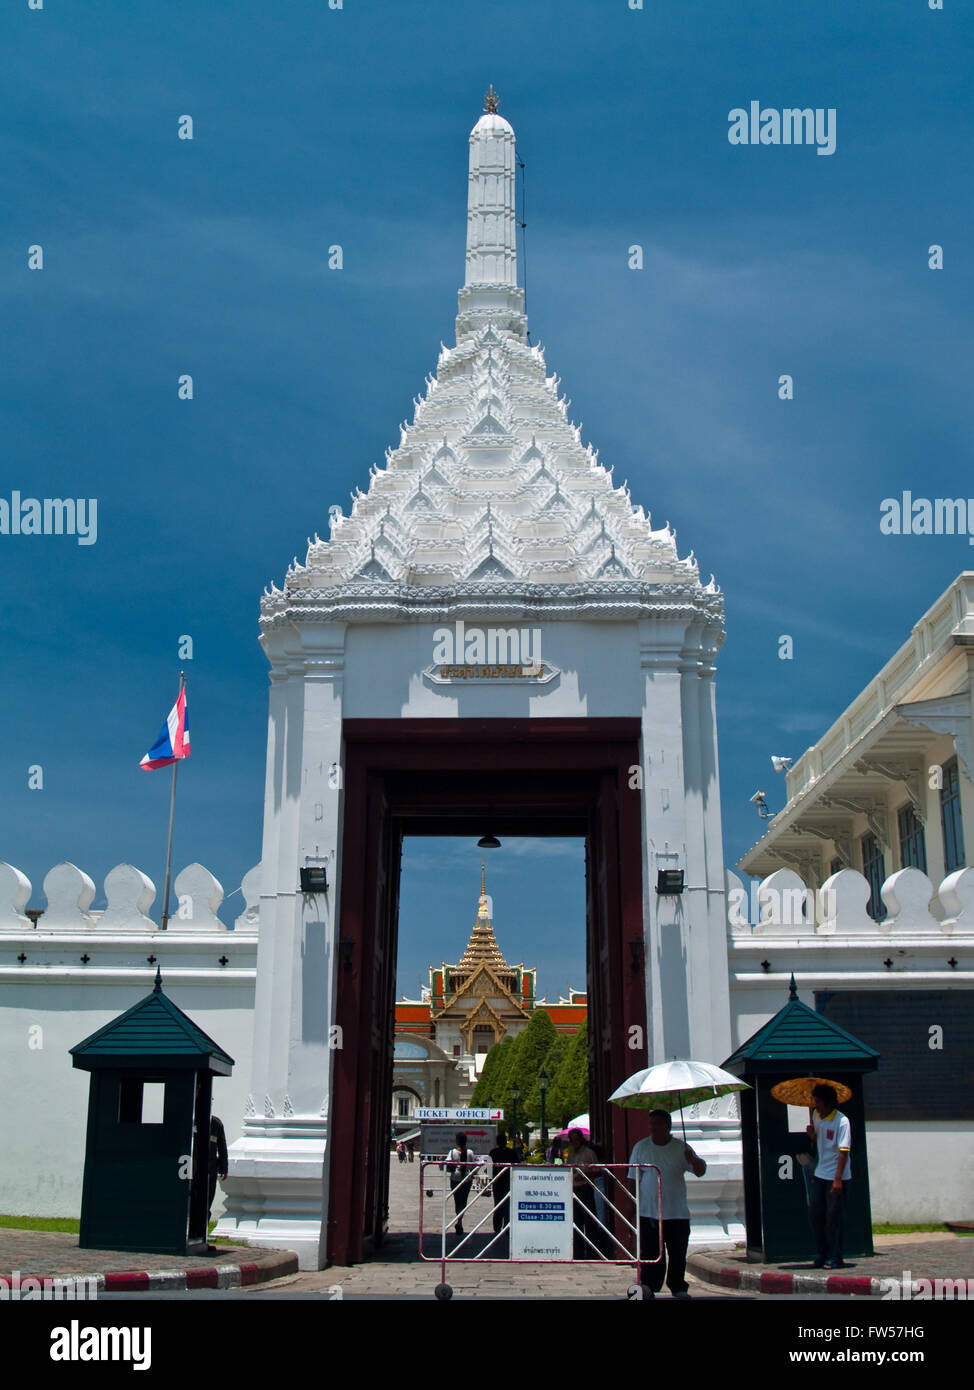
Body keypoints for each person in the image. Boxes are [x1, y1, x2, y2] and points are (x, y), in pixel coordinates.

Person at [628, 1109, 706, 1298]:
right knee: (651, 1252)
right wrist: (632, 1207)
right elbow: (633, 1178)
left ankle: (678, 1286)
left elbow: (700, 1171)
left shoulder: (681, 1148)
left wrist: (693, 1159)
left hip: (676, 1212)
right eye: (651, 1123)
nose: (653, 1127)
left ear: (667, 1126)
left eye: (658, 1123)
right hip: (649, 1211)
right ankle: (648, 1285)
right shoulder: (641, 1147)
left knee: (678, 1252)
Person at [806, 1083, 852, 1269]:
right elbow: (821, 1141)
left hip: (836, 1176)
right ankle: (821, 1253)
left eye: (818, 1102)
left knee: (834, 1217)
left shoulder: (842, 1121)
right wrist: (812, 1136)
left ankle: (835, 1256)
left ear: (827, 1103)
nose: (816, 1106)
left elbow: (843, 1151)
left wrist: (838, 1179)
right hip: (820, 1173)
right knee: (817, 1215)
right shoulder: (817, 1117)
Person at [565, 1127, 602, 1258]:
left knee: (589, 1220)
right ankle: (578, 1251)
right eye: (572, 1140)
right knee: (576, 1221)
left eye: (577, 1139)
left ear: (581, 1139)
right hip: (574, 1188)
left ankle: (593, 1251)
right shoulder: (571, 1154)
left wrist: (586, 1176)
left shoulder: (589, 1153)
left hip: (586, 1188)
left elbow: (598, 1171)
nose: (574, 1142)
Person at [488, 1130, 515, 1250]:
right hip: (508, 1181)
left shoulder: (493, 1152)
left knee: (498, 1204)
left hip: (498, 1181)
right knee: (508, 1205)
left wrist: (490, 1180)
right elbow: (517, 1164)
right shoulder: (511, 1152)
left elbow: (489, 1167)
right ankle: (507, 1226)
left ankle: (497, 1227)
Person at [444, 1132, 475, 1236]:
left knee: (457, 1200)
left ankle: (459, 1219)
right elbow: (472, 1166)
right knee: (464, 1200)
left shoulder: (452, 1152)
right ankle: (460, 1221)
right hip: (466, 1179)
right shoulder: (470, 1152)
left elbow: (447, 1163)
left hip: (455, 1178)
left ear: (457, 1141)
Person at [208, 1114, 229, 1224]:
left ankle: (203, 1229)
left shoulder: (216, 1124)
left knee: (208, 1197)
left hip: (210, 1168)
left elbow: (222, 1146)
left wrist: (224, 1168)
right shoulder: (192, 1120)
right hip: (193, 1169)